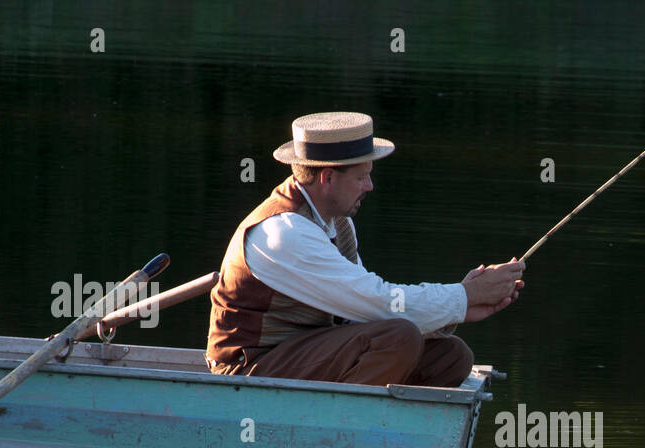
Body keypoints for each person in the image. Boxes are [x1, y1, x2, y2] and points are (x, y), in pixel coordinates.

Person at [206, 111, 525, 386]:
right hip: (245, 372)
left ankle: (390, 438)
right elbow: (378, 303)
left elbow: (357, 314)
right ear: (328, 177)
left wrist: (462, 306)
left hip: (301, 354)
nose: (369, 187)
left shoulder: (336, 223)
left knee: (452, 357)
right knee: (397, 339)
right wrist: (463, 296)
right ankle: (339, 436)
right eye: (362, 177)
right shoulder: (283, 233)